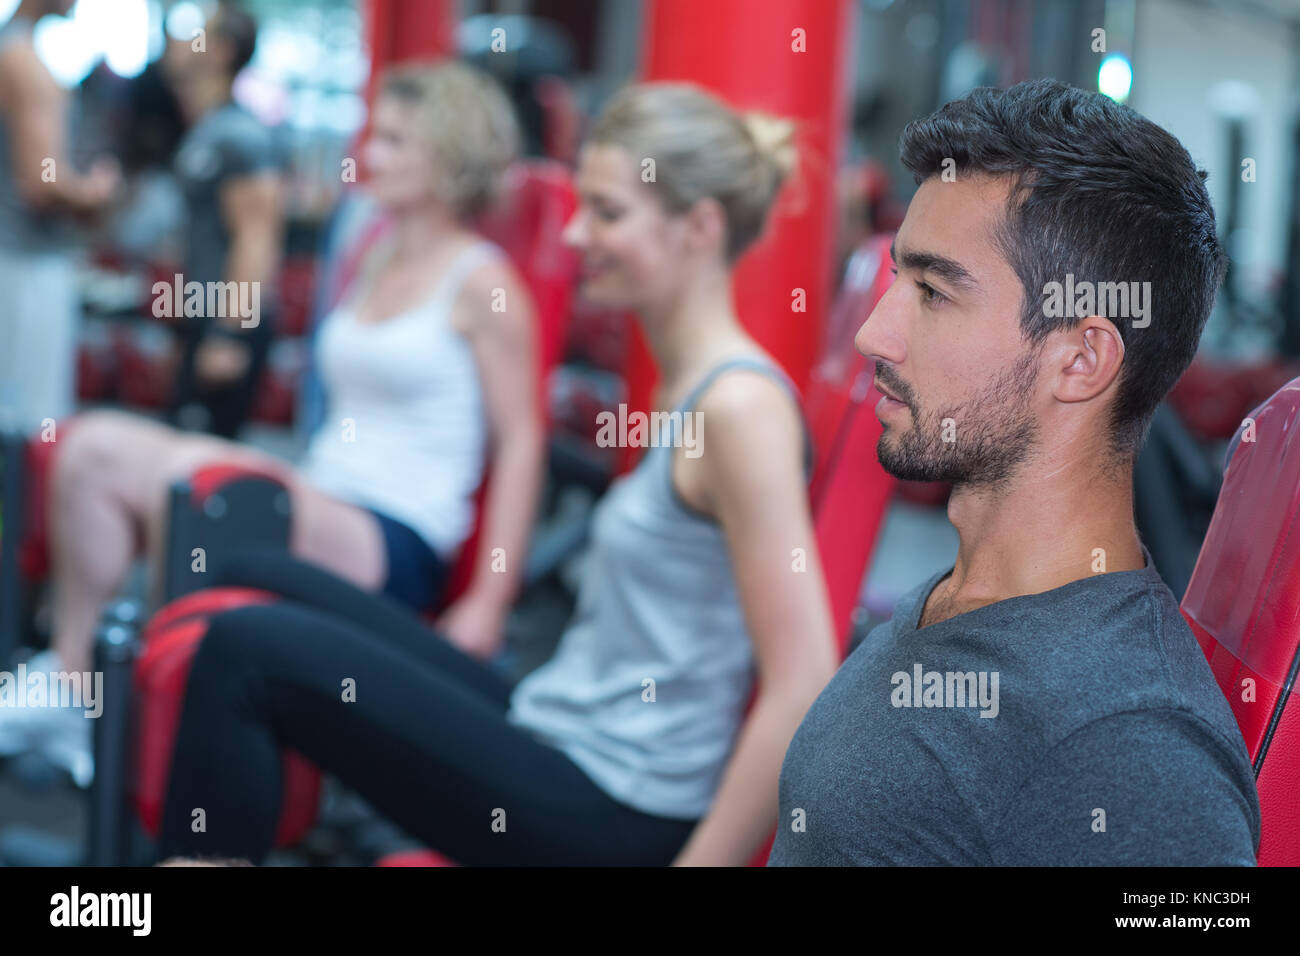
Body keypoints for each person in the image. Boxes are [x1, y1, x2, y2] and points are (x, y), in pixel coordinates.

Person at [155, 82, 838, 866]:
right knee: (251, 566)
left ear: (700, 228)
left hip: (610, 807)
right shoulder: (685, 386)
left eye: (608, 213)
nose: (575, 235)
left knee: (247, 651)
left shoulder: (739, 408)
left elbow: (803, 679)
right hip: (557, 722)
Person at [0, 62, 543, 786]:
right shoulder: (374, 254)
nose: (368, 153)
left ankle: (155, 726)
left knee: (199, 488)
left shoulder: (485, 282)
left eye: (394, 141)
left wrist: (489, 598)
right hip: (322, 492)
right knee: (92, 446)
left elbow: (523, 439)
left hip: (394, 533)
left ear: (449, 155)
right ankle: (75, 687)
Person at [769, 79, 1260, 866]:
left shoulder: (1127, 746)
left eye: (932, 291)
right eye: (898, 278)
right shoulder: (959, 594)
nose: (872, 333)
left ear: (1080, 359)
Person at [159, 2, 284, 439]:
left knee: (205, 463)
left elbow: (257, 238)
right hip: (199, 313)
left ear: (221, 50)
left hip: (229, 322)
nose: (179, 39)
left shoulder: (240, 136)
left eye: (194, 32)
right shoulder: (207, 127)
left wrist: (229, 334)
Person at [0, 0, 121, 435]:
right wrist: (98, 190)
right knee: (27, 428)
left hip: (18, 264)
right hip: (23, 269)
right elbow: (40, 184)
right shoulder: (22, 61)